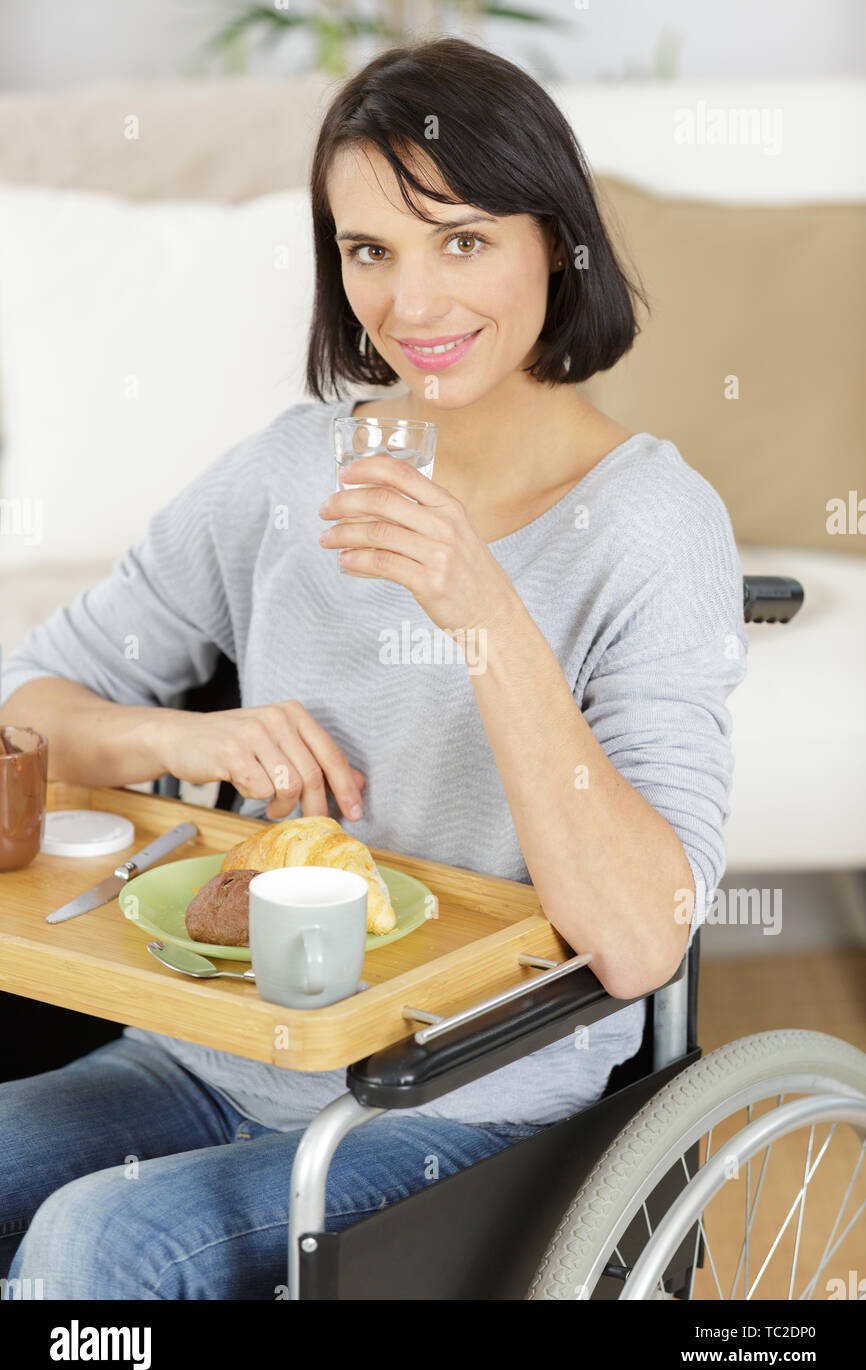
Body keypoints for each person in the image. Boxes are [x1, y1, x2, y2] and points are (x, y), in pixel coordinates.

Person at [0, 36, 747, 1299]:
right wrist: (184, 740)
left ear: (551, 243)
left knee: (94, 1245)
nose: (410, 305)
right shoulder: (290, 473)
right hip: (212, 1053)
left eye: (459, 240)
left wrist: (483, 609)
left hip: (456, 1101)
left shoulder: (650, 525)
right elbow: (33, 708)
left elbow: (635, 938)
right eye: (368, 251)